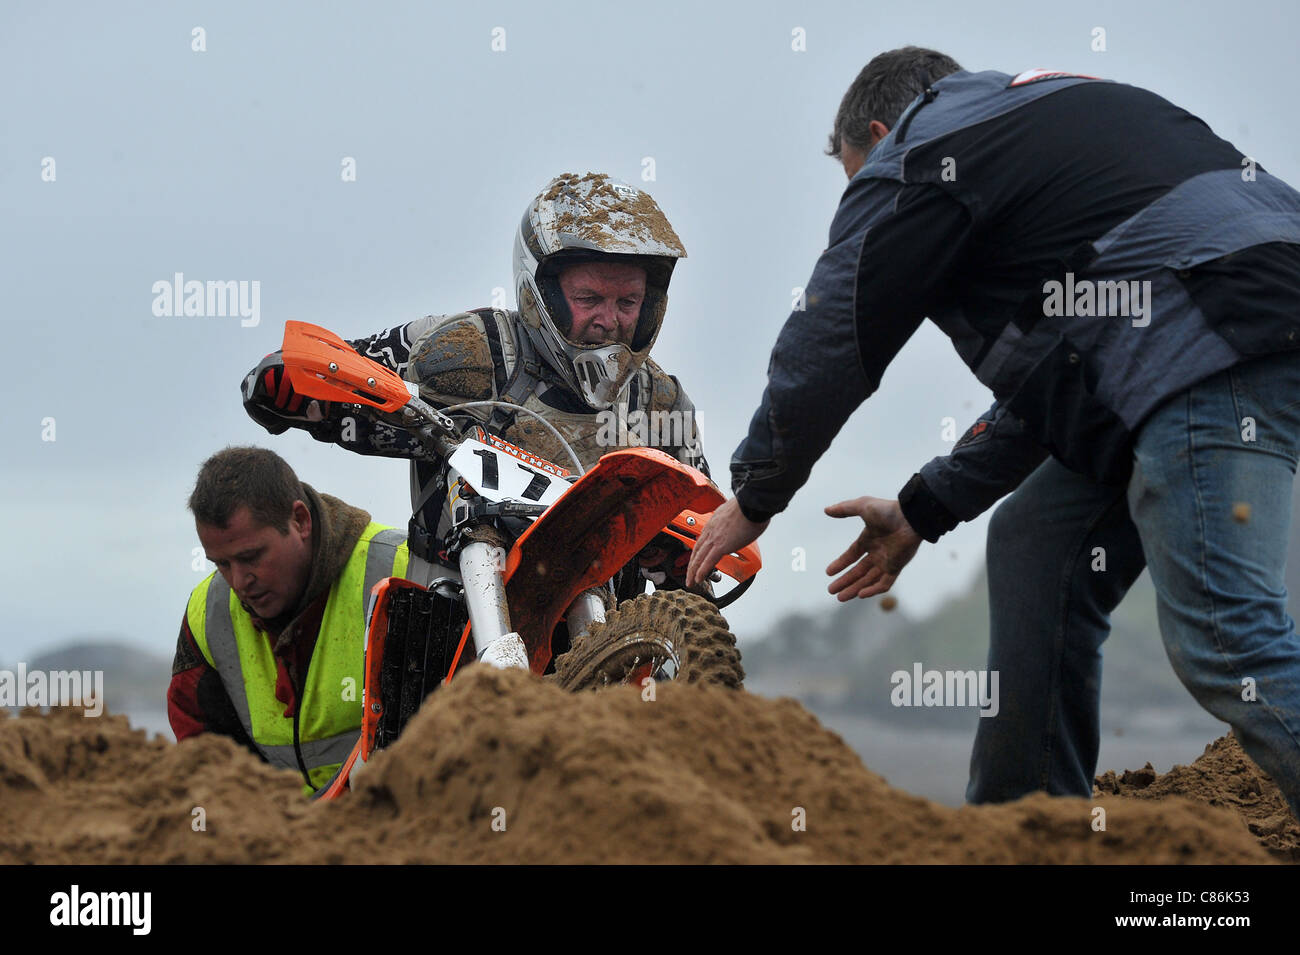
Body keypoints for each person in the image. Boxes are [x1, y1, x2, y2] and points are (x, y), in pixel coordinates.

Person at [686, 47, 1300, 819]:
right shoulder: (1034, 127)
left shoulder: (920, 149)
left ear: (880, 131)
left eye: (856, 179)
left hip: (1211, 334)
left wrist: (757, 493)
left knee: (1226, 631)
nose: (862, 203)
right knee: (1036, 541)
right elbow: (1060, 384)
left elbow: (833, 334)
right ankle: (1030, 829)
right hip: (1209, 326)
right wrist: (921, 509)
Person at [244, 171, 708, 589]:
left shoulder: (659, 402)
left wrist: (680, 551)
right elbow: (341, 361)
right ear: (539, 289)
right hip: (453, 607)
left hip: (610, 633)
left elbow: (708, 535)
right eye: (589, 298)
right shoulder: (469, 349)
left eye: (628, 302)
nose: (610, 320)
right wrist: (289, 380)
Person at [169, 446, 410, 795]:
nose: (239, 582)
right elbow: (200, 762)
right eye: (221, 564)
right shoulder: (207, 612)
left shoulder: (405, 570)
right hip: (282, 839)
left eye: (250, 557)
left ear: (300, 521)